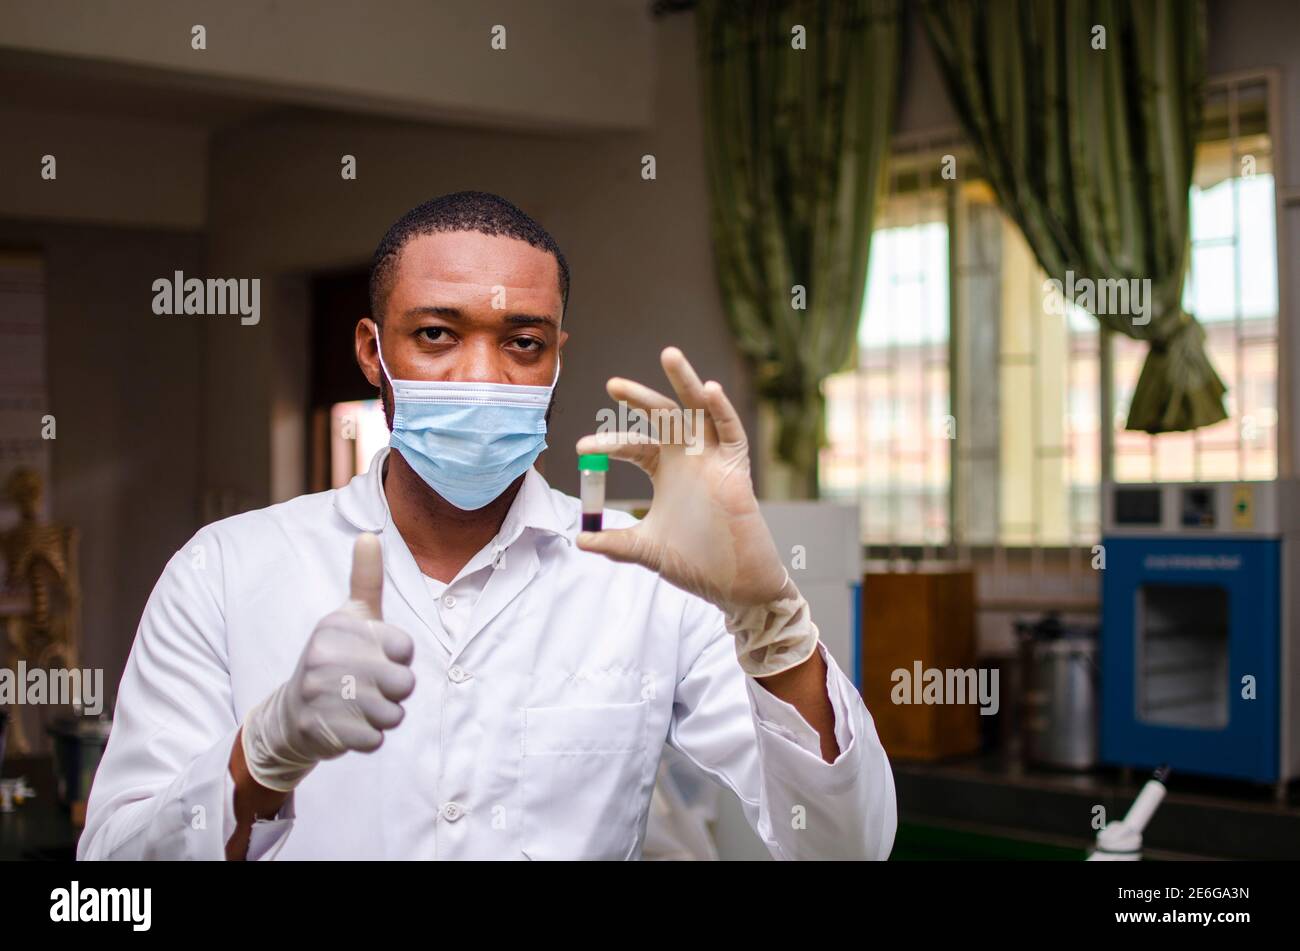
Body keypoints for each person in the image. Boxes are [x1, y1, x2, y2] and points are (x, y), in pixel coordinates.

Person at [78, 191, 897, 860]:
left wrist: (771, 621)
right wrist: (260, 758)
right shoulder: (225, 571)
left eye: (522, 341)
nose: (481, 374)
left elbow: (847, 848)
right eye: (436, 334)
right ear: (372, 350)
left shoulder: (644, 576)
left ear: (558, 355)